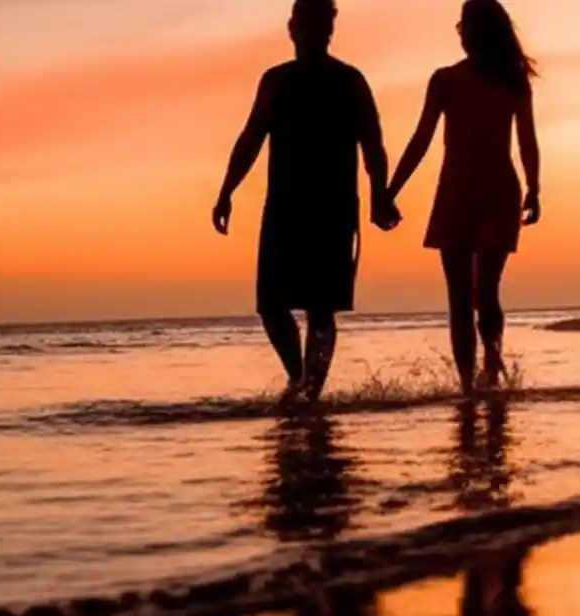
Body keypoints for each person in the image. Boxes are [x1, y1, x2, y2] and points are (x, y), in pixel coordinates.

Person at [213, 0, 399, 407]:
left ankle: (309, 392)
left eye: (320, 25)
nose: (312, 32)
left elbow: (373, 145)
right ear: (291, 27)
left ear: (328, 31)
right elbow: (250, 139)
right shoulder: (276, 81)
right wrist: (226, 190)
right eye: (305, 24)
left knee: (321, 308)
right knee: (270, 305)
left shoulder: (348, 80)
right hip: (283, 206)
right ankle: (299, 379)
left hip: (333, 208)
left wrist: (379, 196)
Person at [387, 0, 541, 397]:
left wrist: (535, 188)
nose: (460, 31)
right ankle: (468, 385)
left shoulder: (512, 80)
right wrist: (391, 189)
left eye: (466, 25)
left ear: (479, 32)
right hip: (456, 192)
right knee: (460, 297)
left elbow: (527, 139)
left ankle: (491, 369)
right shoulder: (444, 80)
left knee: (483, 292)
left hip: (497, 191)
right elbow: (420, 139)